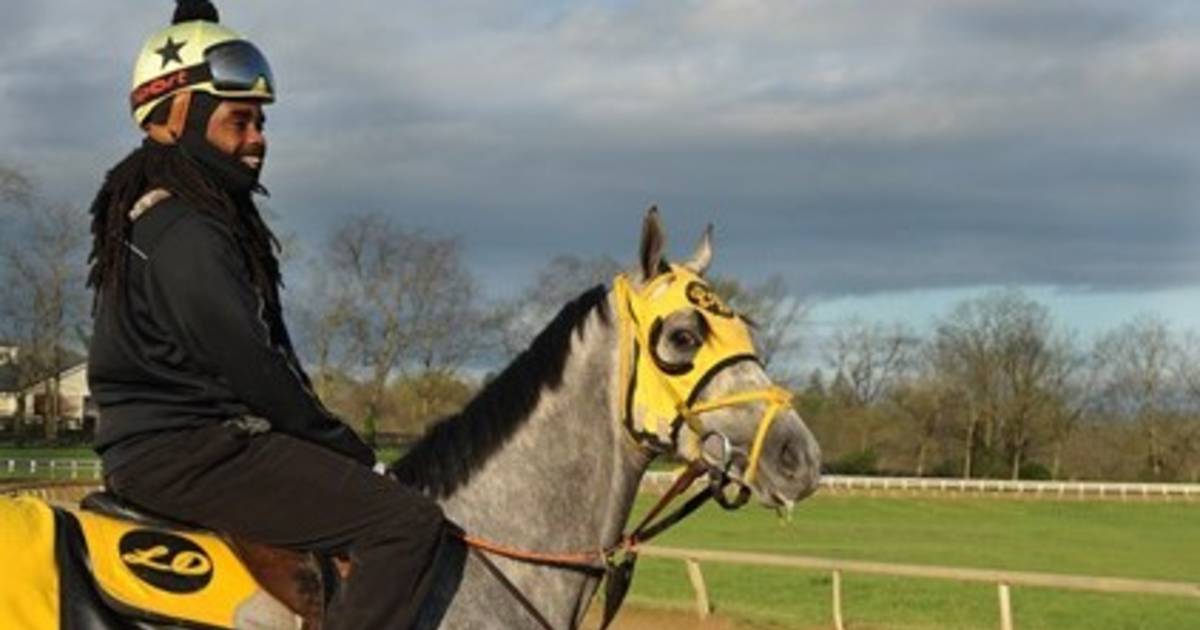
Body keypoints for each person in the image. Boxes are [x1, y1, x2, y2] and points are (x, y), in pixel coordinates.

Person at [85, 1, 445, 627]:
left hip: (170, 447)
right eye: (238, 121)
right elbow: (253, 365)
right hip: (189, 451)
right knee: (406, 522)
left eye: (260, 122)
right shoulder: (186, 228)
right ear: (177, 119)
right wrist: (353, 455)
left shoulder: (168, 212)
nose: (256, 140)